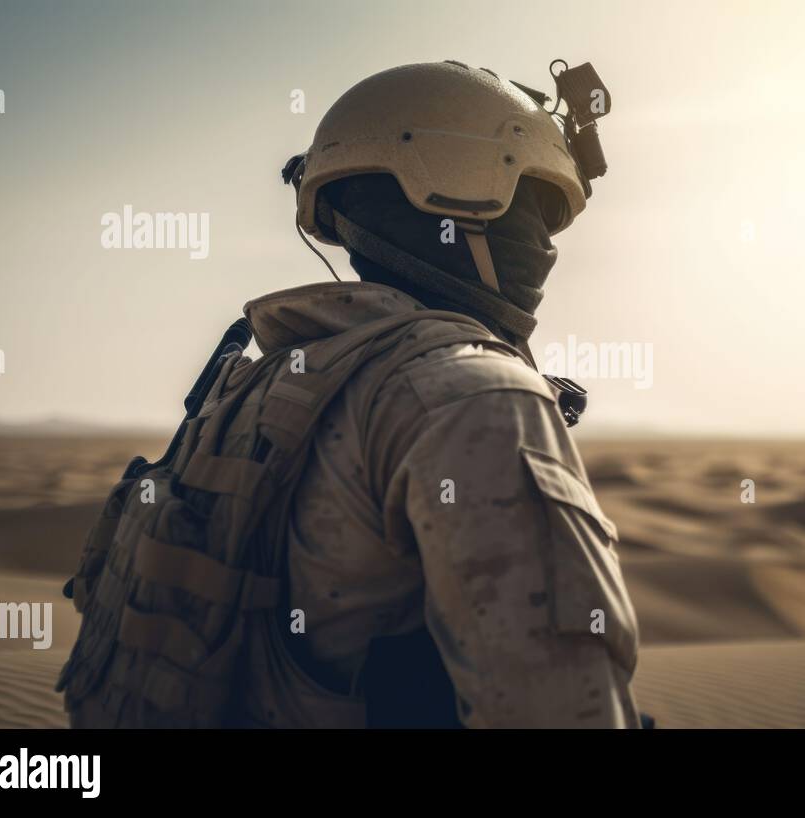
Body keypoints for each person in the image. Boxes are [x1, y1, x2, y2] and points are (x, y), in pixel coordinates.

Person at [258, 60, 640, 727]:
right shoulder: (473, 399)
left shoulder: (266, 382)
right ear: (461, 198)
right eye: (531, 208)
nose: (543, 246)